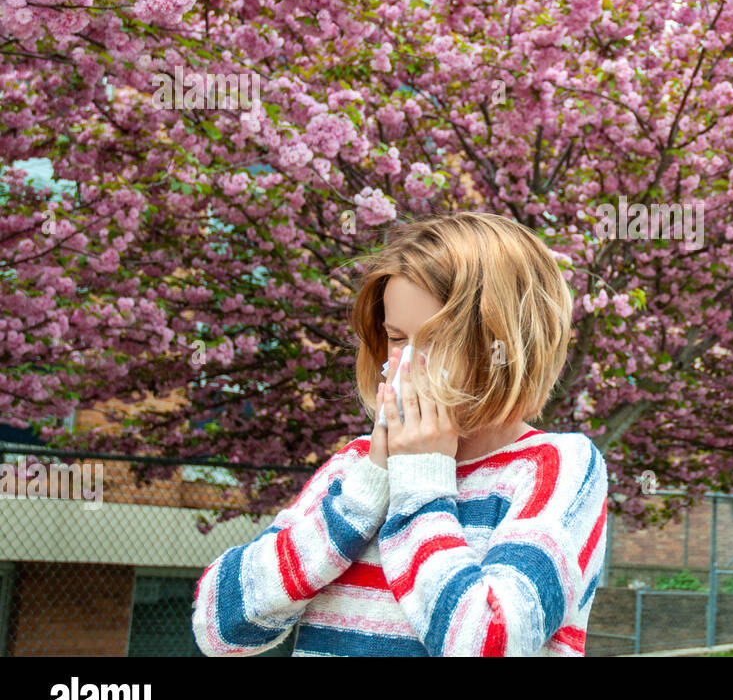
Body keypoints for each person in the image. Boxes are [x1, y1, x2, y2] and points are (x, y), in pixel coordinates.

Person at [191, 211, 609, 656]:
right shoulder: (356, 466)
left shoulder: (556, 467)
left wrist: (422, 484)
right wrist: (367, 493)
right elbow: (219, 628)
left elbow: (484, 642)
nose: (408, 364)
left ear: (506, 342)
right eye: (396, 338)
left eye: (434, 340)